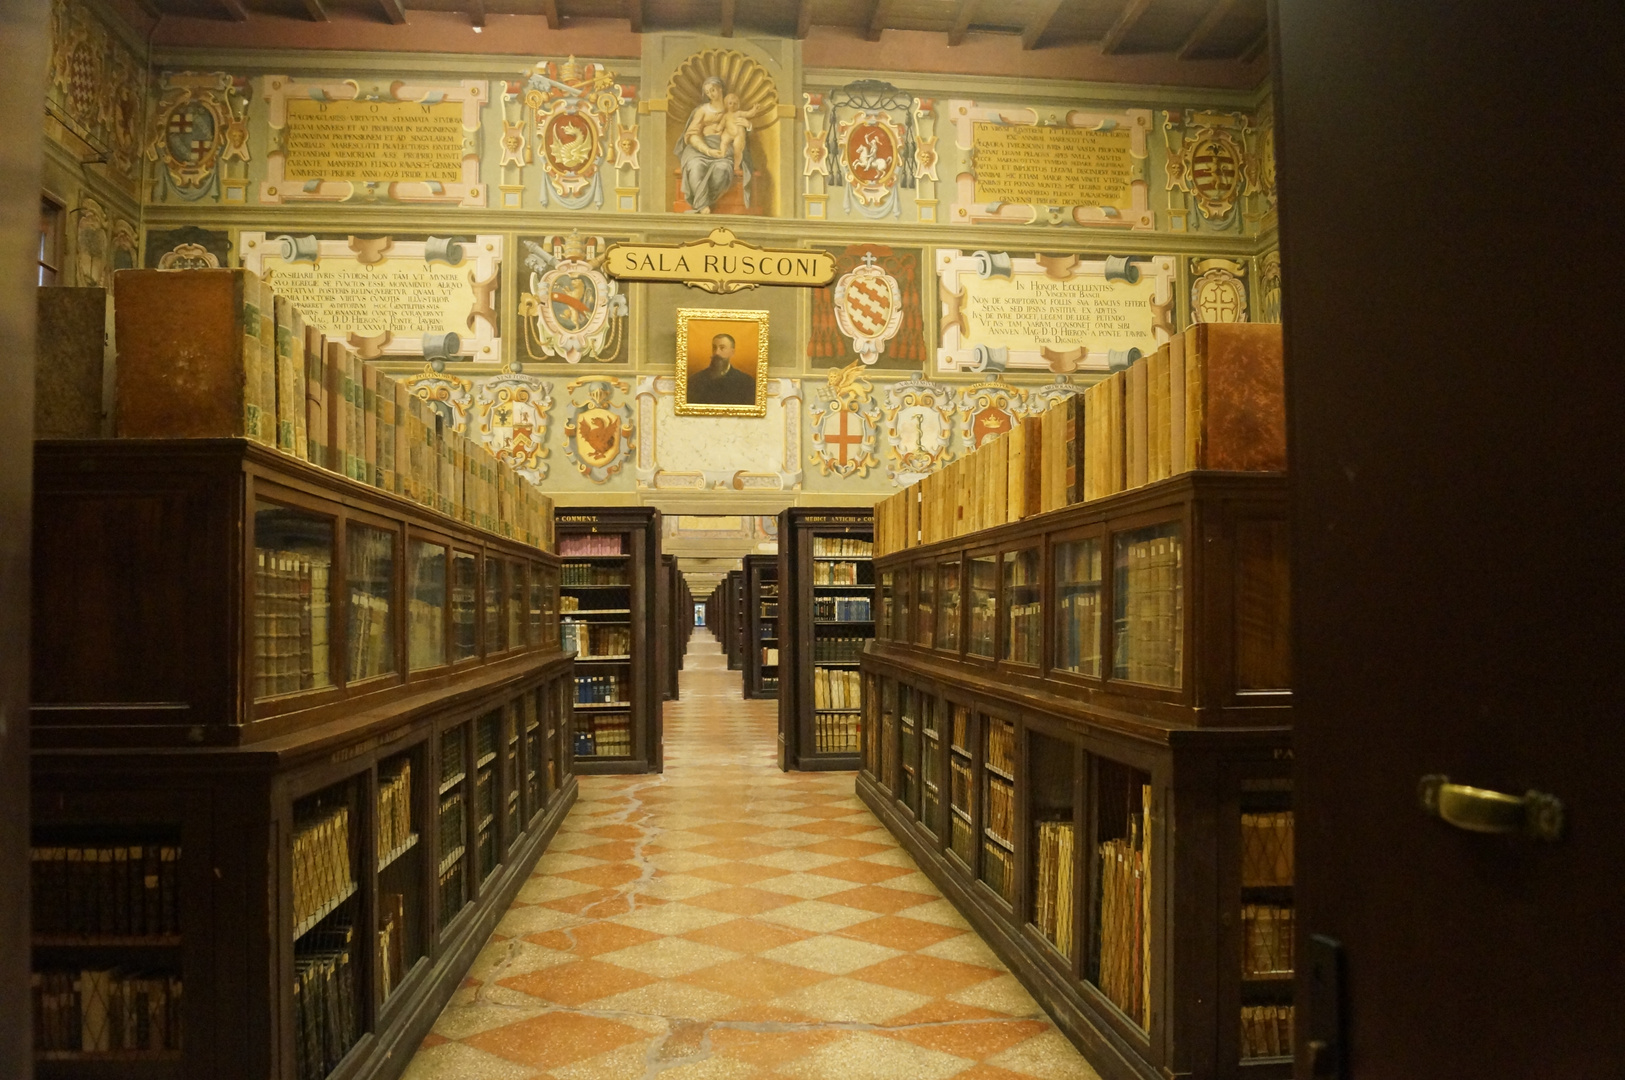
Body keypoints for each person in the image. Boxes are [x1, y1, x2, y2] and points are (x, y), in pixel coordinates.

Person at [686, 332, 757, 406]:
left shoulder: (747, 382)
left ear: (732, 352)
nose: (717, 353)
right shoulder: (695, 380)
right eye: (714, 348)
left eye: (722, 348)